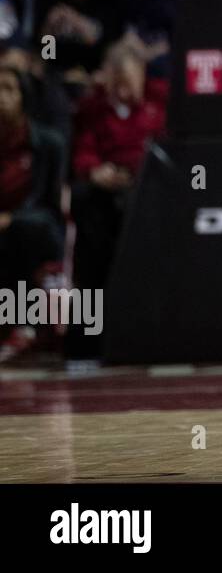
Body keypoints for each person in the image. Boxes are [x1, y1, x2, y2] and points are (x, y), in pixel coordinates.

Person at [67, 41, 166, 357]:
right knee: (87, 214)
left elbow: (172, 151)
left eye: (130, 83)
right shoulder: (93, 109)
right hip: (105, 193)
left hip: (148, 194)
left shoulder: (159, 102)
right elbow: (82, 153)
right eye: (117, 84)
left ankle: (150, 337)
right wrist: (96, 171)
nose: (124, 92)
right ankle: (85, 344)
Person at [0, 65, 66, 364]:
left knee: (29, 232)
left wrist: (12, 219)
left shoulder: (48, 143)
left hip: (32, 228)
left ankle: (30, 327)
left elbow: (53, 206)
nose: (0, 97)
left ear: (23, 97)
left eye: (7, 89)